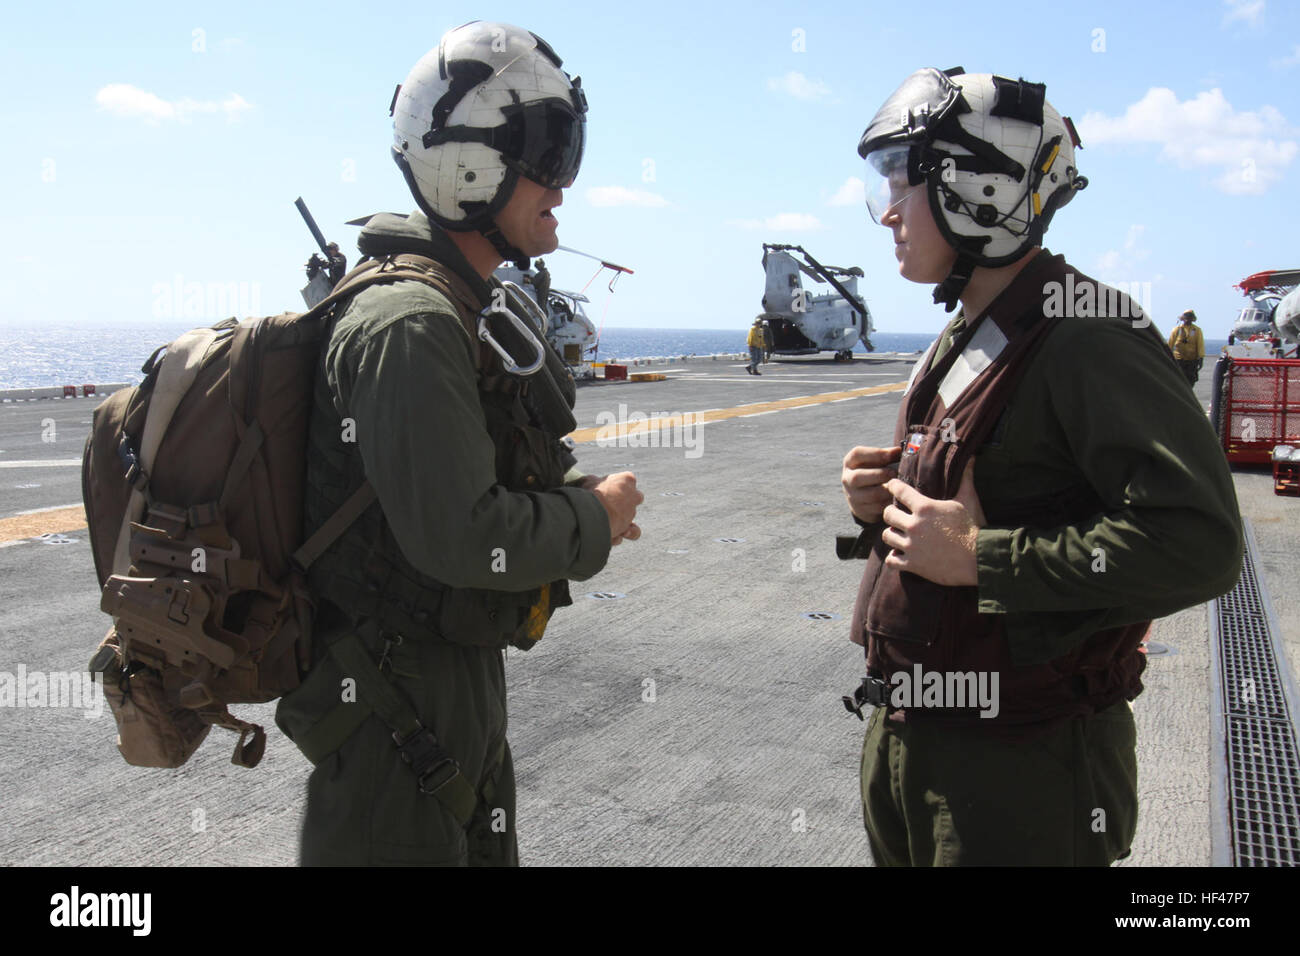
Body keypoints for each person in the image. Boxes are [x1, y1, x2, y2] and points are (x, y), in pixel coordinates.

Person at [839, 67, 1242, 866]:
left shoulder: (1089, 336)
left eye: (902, 183)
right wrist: (882, 504)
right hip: (914, 740)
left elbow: (1199, 542)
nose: (885, 211)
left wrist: (984, 561)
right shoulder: (970, 331)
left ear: (979, 190)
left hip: (1019, 770)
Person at [274, 21, 643, 867]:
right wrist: (594, 519)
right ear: (467, 164)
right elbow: (464, 536)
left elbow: (477, 481)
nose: (563, 183)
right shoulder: (410, 323)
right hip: (393, 703)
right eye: (545, 156)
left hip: (444, 684)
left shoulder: (461, 307)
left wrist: (573, 498)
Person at [1168, 308, 1205, 386]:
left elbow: (1200, 344)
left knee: (1191, 380)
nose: (1188, 319)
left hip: (1192, 360)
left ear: (1192, 318)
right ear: (1183, 318)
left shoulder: (1197, 330)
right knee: (1178, 379)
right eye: (1187, 316)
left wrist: (1201, 358)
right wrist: (1167, 356)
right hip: (1178, 359)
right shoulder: (1177, 330)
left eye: (1190, 317)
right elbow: (1170, 344)